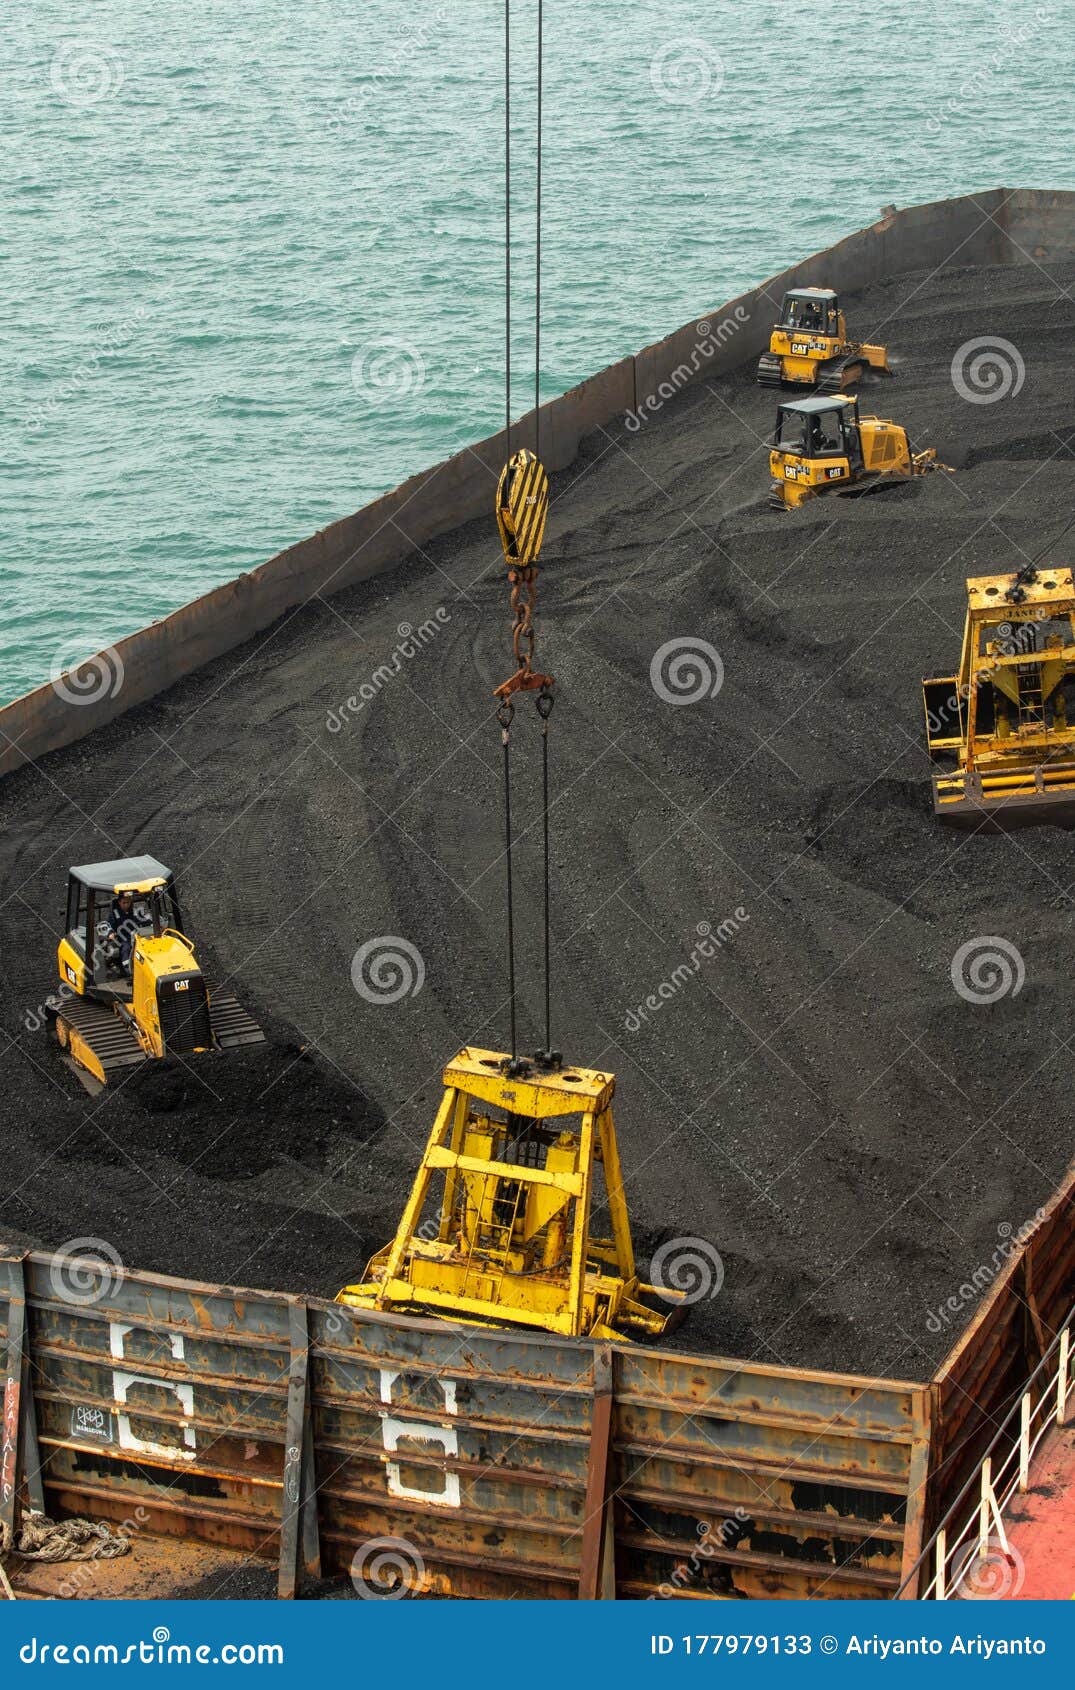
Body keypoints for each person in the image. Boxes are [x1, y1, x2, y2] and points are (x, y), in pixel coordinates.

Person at [109, 889, 137, 972]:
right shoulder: (115, 914)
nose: (126, 905)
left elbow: (143, 920)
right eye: (124, 903)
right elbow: (110, 925)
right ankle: (128, 970)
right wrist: (111, 933)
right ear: (119, 902)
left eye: (128, 902)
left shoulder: (134, 912)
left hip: (136, 936)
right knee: (126, 948)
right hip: (122, 938)